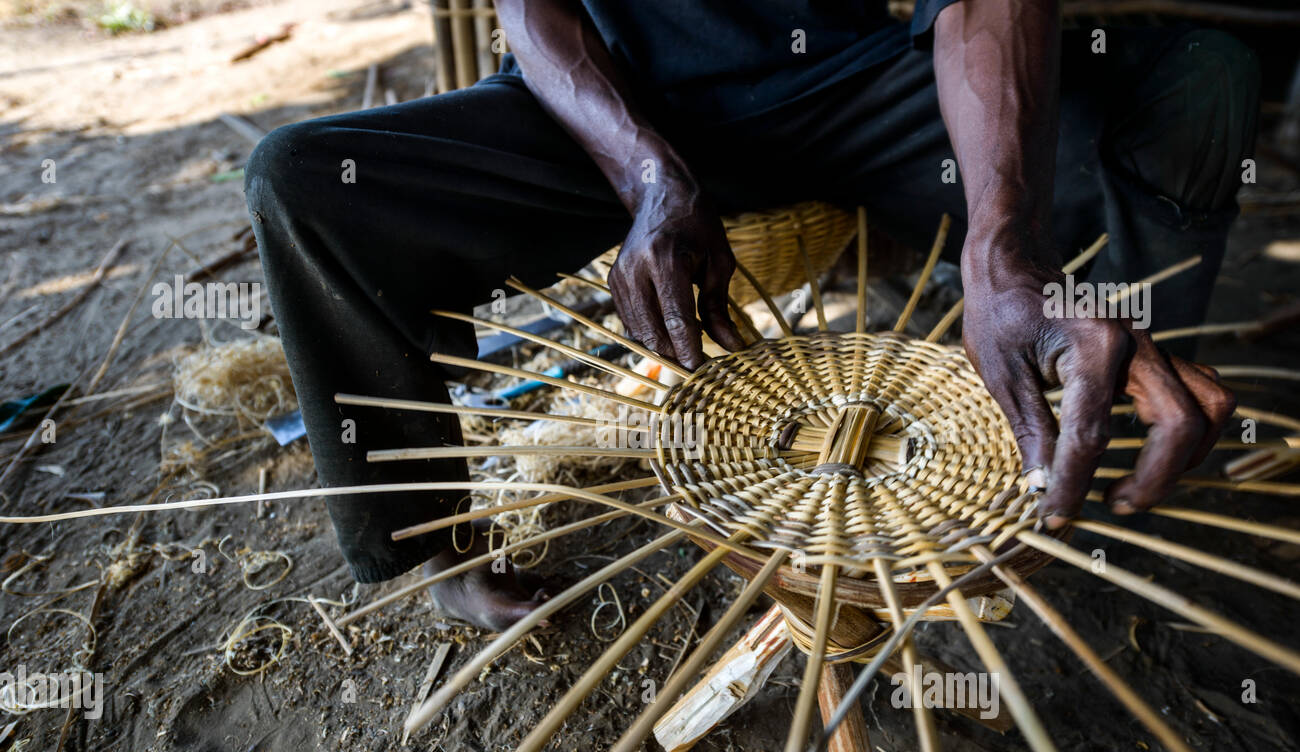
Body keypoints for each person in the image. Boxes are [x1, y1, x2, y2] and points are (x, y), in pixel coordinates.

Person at [245, 1, 1256, 631]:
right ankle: (434, 548)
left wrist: (1000, 239)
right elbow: (532, 9)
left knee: (1201, 79)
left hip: (850, 86)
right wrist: (647, 176)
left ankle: (1107, 414)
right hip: (621, 116)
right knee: (303, 181)